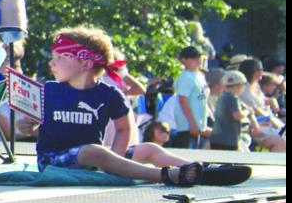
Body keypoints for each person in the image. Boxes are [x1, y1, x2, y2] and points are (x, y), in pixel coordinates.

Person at [29, 27, 247, 187]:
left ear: (85, 64)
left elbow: (124, 128)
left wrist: (117, 157)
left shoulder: (108, 93)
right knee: (94, 151)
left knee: (149, 148)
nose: (52, 62)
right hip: (53, 160)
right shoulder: (48, 90)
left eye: (61, 57)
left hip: (95, 158)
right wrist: (25, 124)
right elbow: (27, 126)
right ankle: (165, 175)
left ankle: (200, 171)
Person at [167, 45, 209, 150]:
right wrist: (192, 123)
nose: (197, 60)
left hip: (198, 123)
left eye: (198, 57)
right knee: (186, 158)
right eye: (193, 58)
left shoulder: (199, 75)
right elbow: (183, 101)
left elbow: (203, 95)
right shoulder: (186, 77)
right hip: (187, 125)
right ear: (184, 60)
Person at [208, 69, 247, 151]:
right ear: (238, 85)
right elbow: (237, 115)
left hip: (217, 138)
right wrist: (247, 112)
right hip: (228, 140)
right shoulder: (232, 98)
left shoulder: (222, 97)